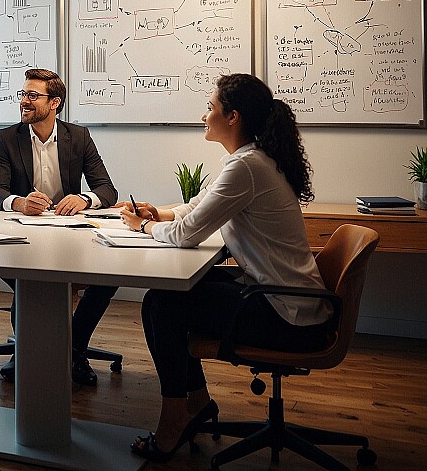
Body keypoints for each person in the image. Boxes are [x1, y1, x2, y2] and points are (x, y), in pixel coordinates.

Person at [119, 73, 333, 462]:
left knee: (164, 304)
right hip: (289, 300)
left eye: (210, 108)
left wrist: (145, 226)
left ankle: (174, 421)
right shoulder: (245, 160)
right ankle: (196, 404)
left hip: (285, 314)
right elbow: (196, 209)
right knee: (165, 298)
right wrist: (158, 212)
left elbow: (186, 234)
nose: (204, 116)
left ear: (232, 116)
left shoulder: (246, 167)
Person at [0, 68, 118, 386]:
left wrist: (84, 200)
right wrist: (18, 202)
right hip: (23, 233)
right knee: (28, 277)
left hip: (70, 234)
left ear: (55, 102)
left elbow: (107, 190)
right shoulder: (8, 137)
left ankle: (74, 348)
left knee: (110, 276)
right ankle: (28, 350)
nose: (24, 102)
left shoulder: (79, 136)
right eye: (23, 94)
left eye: (33, 95)